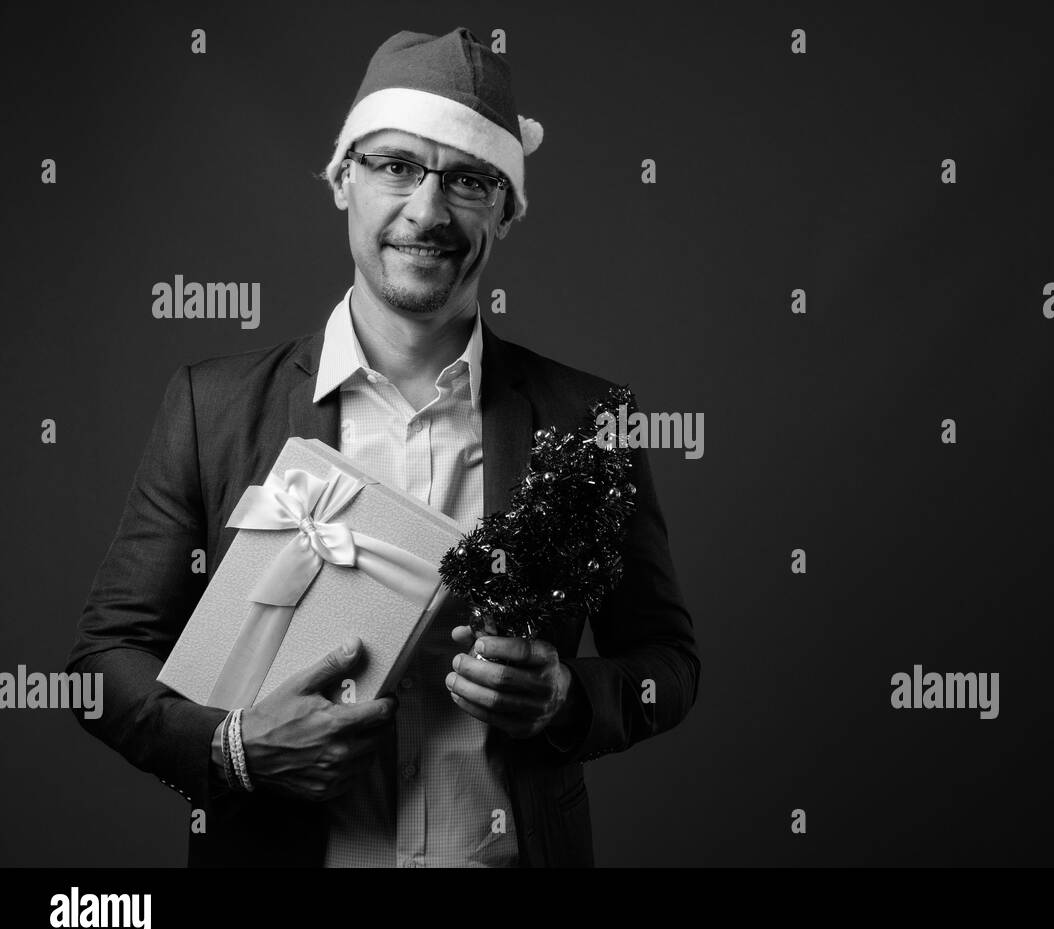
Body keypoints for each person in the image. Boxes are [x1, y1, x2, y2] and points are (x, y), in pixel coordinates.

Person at [66, 27, 700, 867]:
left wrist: (565, 697)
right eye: (396, 165)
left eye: (469, 179)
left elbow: (668, 662)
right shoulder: (210, 405)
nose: (428, 212)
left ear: (506, 209)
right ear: (342, 180)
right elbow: (103, 662)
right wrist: (235, 750)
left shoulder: (591, 420)